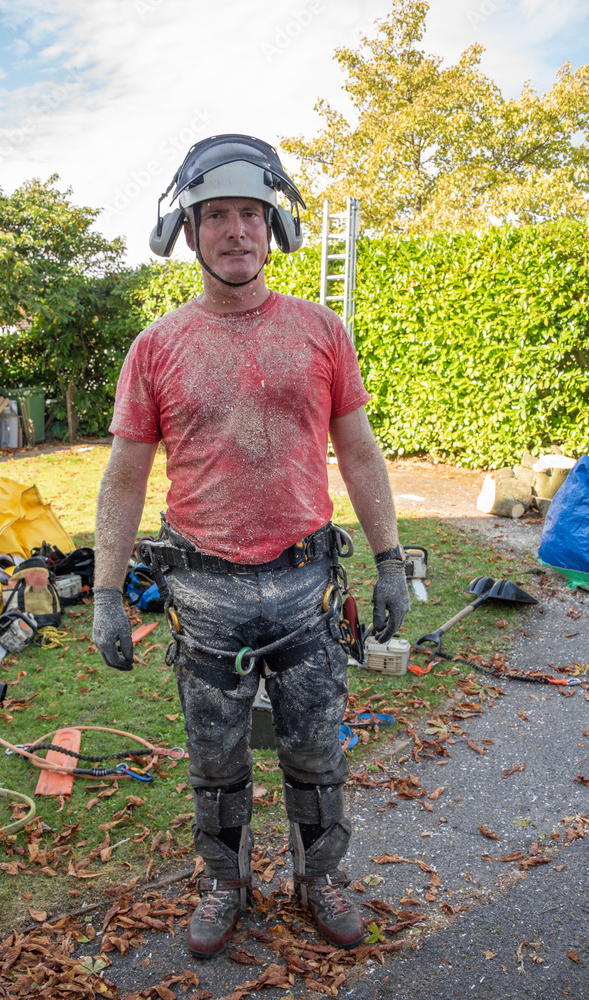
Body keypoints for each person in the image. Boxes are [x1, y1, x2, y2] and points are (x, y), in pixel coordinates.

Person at [92, 134, 409, 959]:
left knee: (314, 752)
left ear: (276, 229)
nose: (237, 231)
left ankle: (320, 877)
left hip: (306, 588)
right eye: (216, 216)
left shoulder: (321, 331)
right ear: (187, 233)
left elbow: (360, 451)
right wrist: (104, 593)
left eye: (251, 215)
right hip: (203, 598)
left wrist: (387, 561)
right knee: (217, 762)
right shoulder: (156, 347)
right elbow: (125, 478)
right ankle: (225, 883)